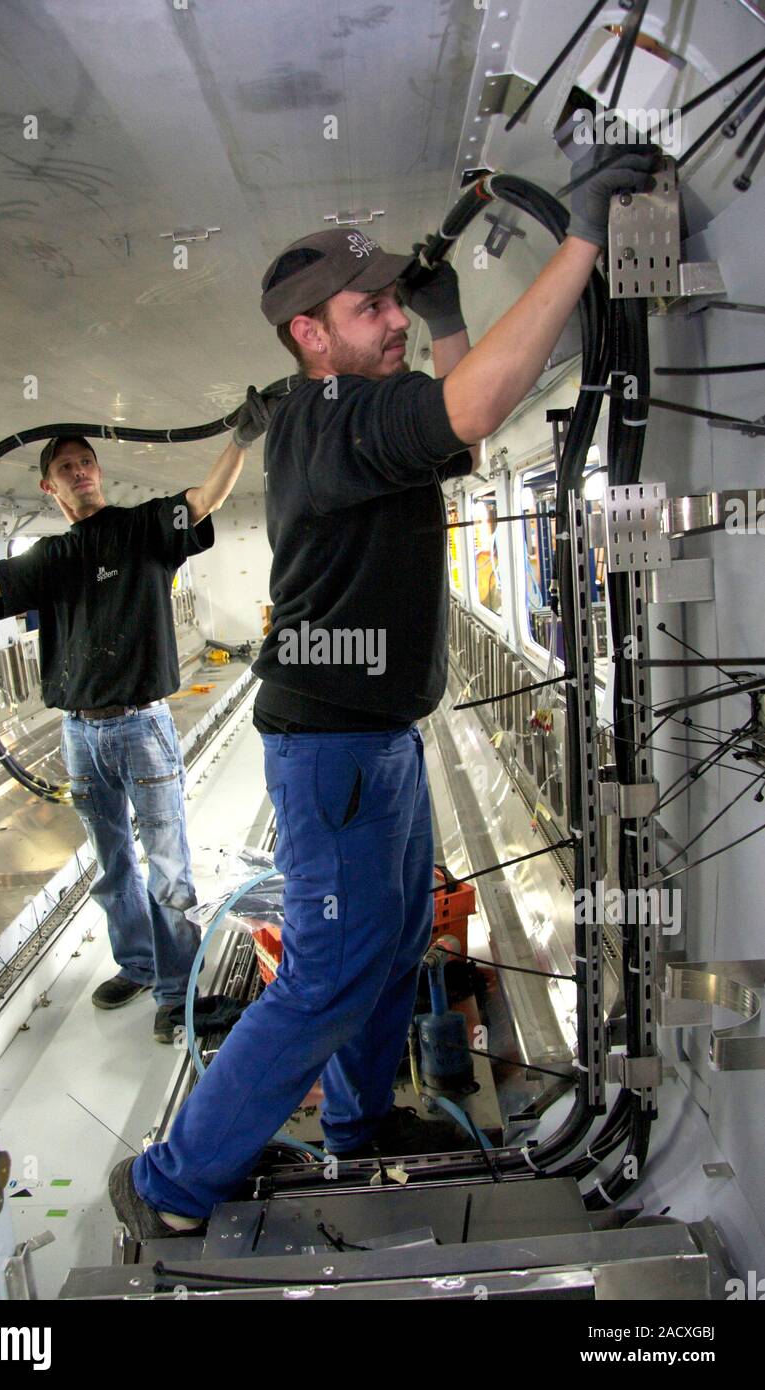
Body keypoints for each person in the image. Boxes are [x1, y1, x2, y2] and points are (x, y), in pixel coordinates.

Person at [109, 146, 657, 1235]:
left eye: (396, 300)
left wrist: (448, 317)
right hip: (334, 757)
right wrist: (581, 241)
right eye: (372, 307)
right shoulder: (328, 420)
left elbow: (464, 424)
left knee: (395, 940)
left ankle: (358, 1130)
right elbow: (468, 412)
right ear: (310, 336)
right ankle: (170, 1185)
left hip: (380, 745)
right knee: (324, 973)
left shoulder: (366, 412)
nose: (392, 319)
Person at [0, 391, 270, 1042]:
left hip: (142, 725)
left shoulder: (144, 530)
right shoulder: (52, 558)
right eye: (66, 467)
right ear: (49, 487)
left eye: (86, 461)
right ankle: (138, 963)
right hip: (80, 732)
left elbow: (203, 500)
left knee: (168, 864)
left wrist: (238, 441)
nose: (81, 471)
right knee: (111, 864)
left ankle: (176, 994)